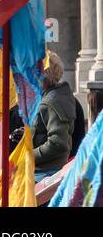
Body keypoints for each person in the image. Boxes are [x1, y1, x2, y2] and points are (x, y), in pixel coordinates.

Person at [32, 51, 77, 180]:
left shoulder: (51, 102)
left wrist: (28, 156)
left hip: (45, 172)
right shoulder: (59, 95)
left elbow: (58, 143)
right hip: (51, 169)